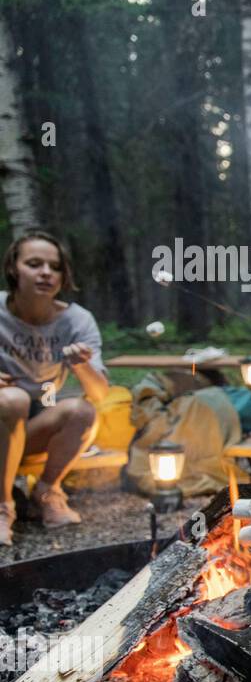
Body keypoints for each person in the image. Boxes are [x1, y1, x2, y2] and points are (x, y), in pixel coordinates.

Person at [0, 231, 109, 545]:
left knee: (82, 410)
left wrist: (82, 365)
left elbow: (101, 394)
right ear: (13, 269)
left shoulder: (77, 320)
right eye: (34, 264)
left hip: (32, 428)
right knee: (12, 399)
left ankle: (47, 490)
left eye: (55, 266)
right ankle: (3, 507)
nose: (46, 272)